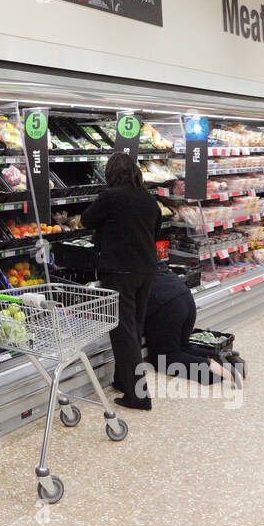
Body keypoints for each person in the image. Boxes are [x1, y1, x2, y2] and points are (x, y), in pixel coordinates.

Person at [79, 152, 162, 410]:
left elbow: (86, 220)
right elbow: (156, 231)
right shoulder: (149, 200)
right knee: (134, 328)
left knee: (123, 332)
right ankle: (123, 381)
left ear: (111, 174)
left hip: (120, 272)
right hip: (147, 270)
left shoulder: (110, 197)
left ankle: (139, 396)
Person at [143, 261, 241, 386]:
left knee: (165, 359)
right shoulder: (144, 246)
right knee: (183, 347)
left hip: (166, 304)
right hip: (184, 295)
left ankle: (211, 366)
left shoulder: (118, 252)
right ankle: (221, 356)